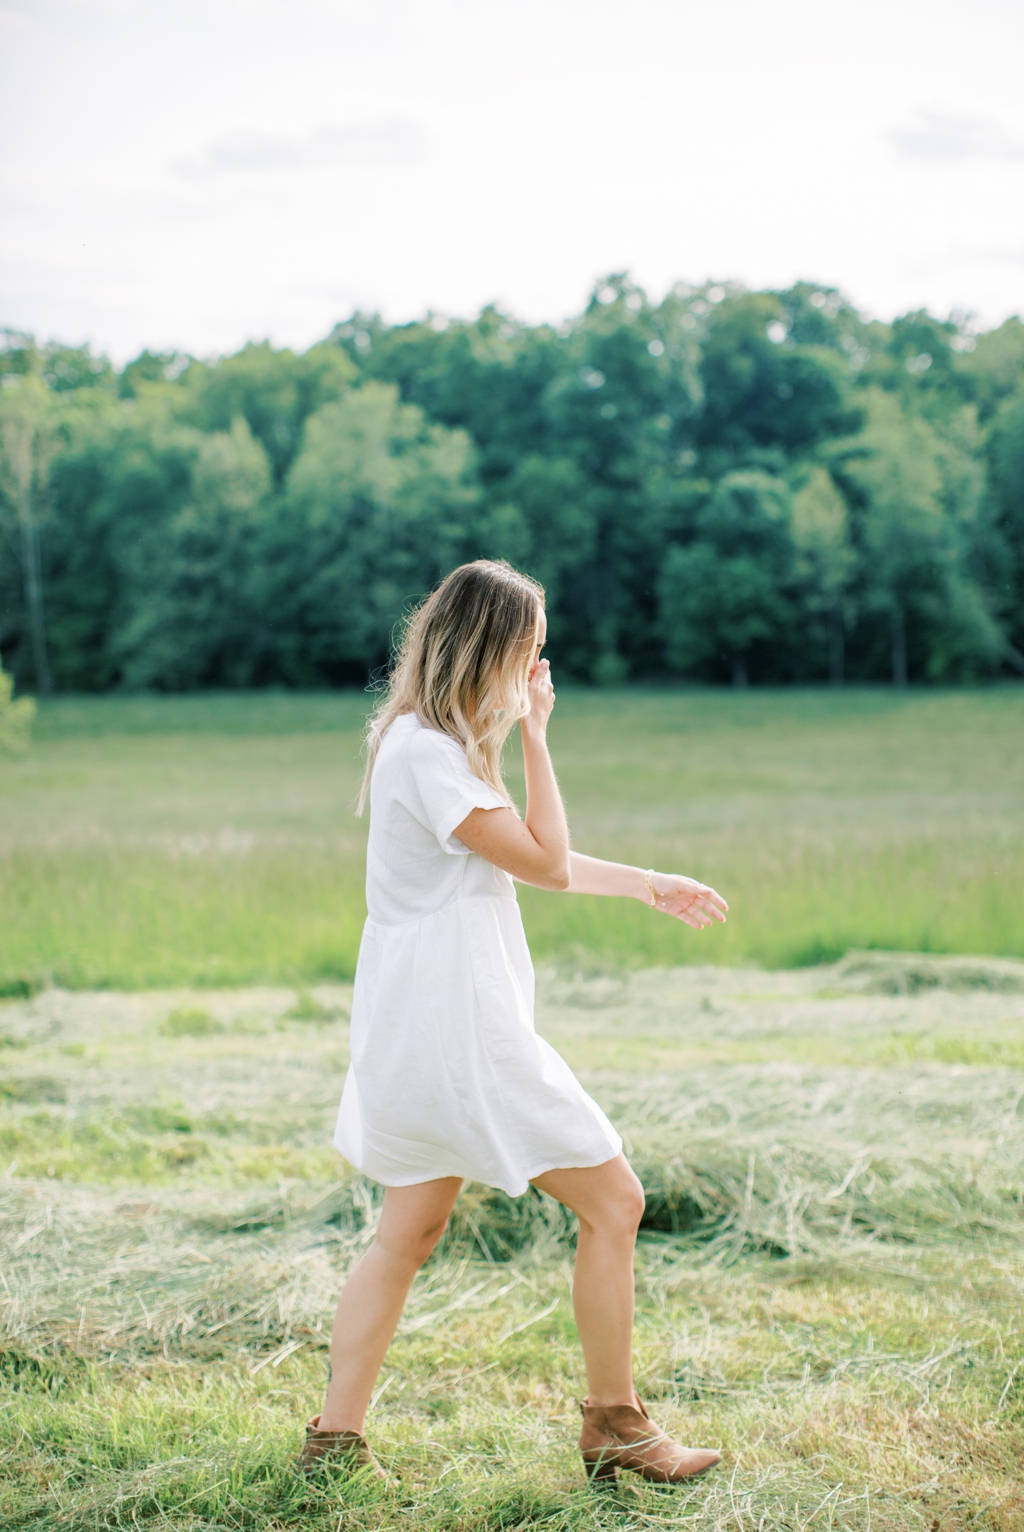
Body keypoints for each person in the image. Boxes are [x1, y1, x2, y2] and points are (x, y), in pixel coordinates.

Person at [299, 560, 728, 1486]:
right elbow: (542, 858)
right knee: (615, 1201)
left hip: (422, 1030)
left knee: (406, 1233)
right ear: (492, 648)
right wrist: (539, 736)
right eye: (532, 652)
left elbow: (541, 862)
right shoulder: (423, 751)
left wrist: (652, 883)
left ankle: (333, 1443)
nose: (541, 669)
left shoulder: (434, 748)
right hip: (462, 1037)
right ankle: (615, 1425)